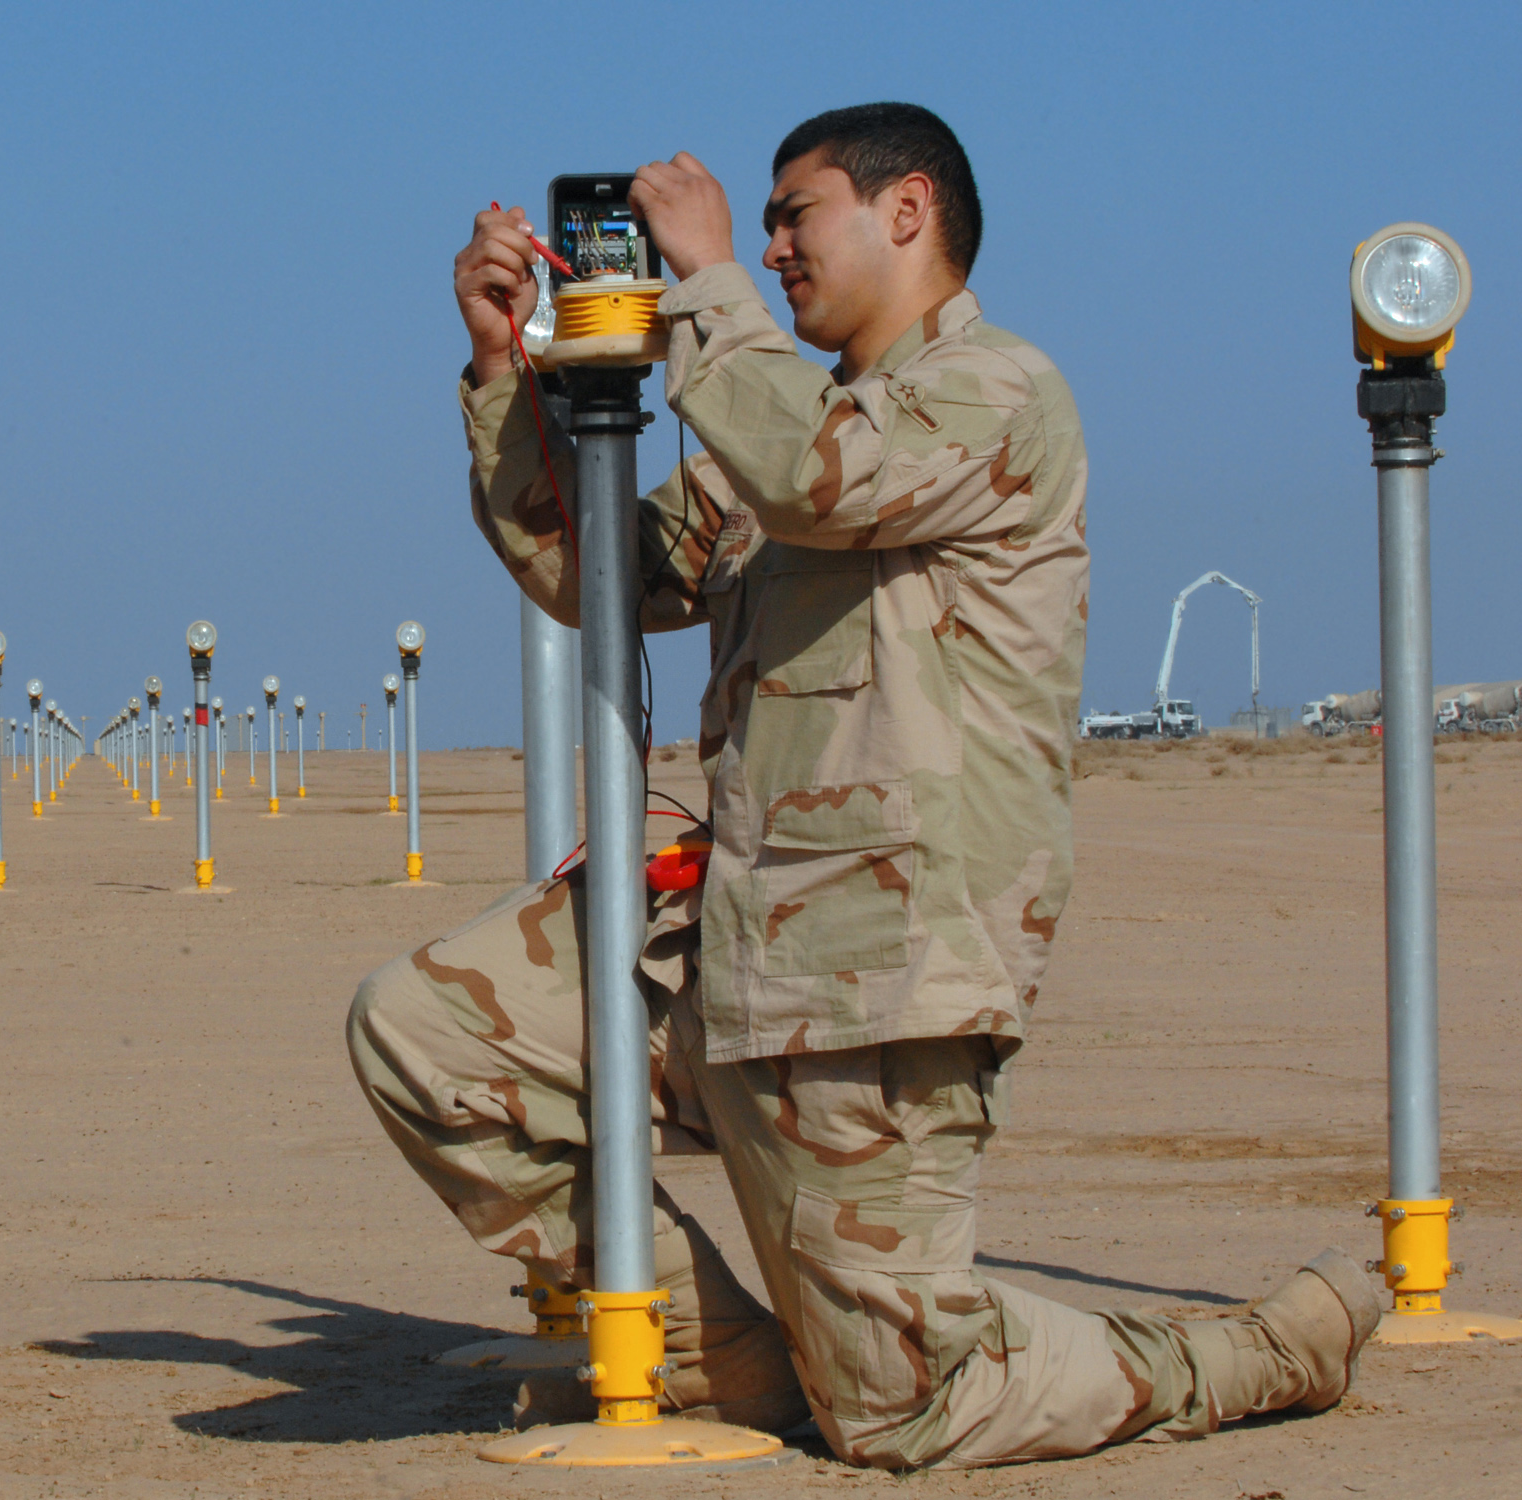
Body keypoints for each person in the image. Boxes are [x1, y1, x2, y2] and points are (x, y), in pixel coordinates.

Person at [348, 102, 1378, 1469]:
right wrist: (504, 373)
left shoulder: (997, 392)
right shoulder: (771, 426)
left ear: (908, 211)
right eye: (761, 228)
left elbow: (821, 479)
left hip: (873, 981)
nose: (772, 250)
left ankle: (1253, 1353)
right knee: (430, 1034)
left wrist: (705, 278)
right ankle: (729, 1362)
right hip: (726, 945)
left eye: (795, 216)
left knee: (906, 1411)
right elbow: (598, 575)